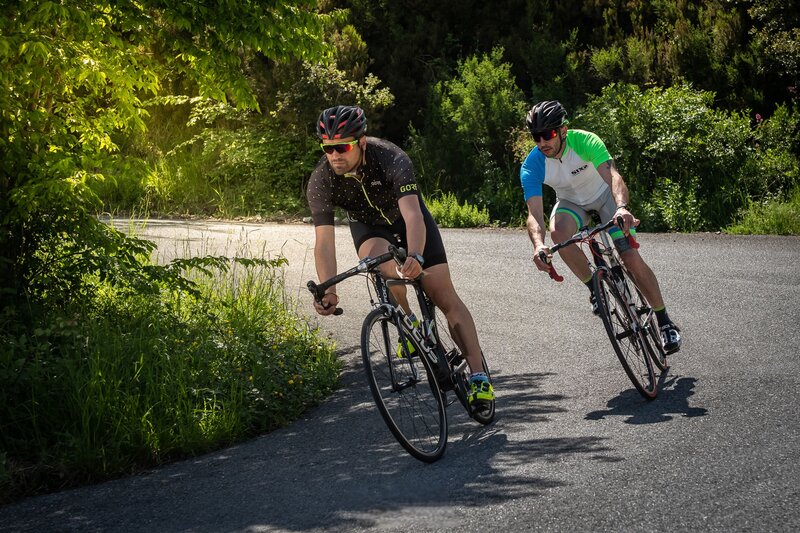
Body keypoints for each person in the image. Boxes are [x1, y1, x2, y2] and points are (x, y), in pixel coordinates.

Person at [307, 104, 495, 406]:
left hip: (407, 219)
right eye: (328, 148)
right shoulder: (322, 179)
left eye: (342, 147)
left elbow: (413, 215)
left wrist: (416, 256)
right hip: (369, 227)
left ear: (361, 142)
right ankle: (408, 321)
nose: (335, 155)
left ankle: (478, 376)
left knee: (442, 294)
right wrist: (329, 289)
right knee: (380, 265)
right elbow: (324, 243)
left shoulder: (390, 157)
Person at [520, 100, 682, 353]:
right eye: (536, 137)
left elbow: (613, 177)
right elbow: (534, 213)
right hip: (572, 203)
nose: (542, 143)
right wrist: (539, 245)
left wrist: (622, 207)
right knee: (558, 234)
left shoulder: (585, 141)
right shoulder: (533, 164)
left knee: (630, 257)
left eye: (547, 134)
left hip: (605, 197)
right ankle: (594, 288)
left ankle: (665, 322)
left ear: (563, 130)